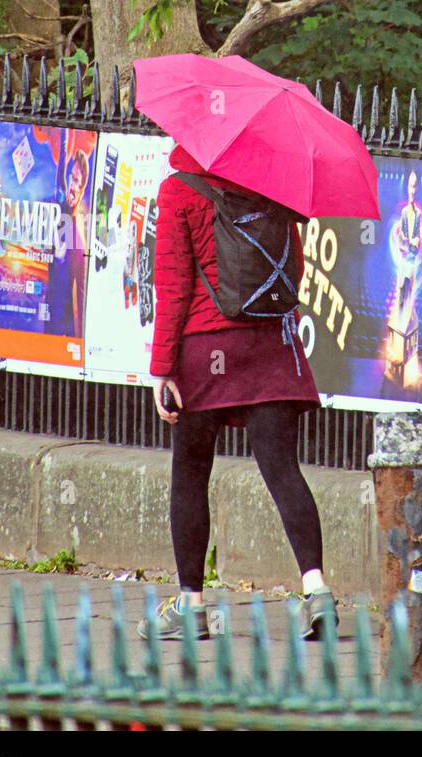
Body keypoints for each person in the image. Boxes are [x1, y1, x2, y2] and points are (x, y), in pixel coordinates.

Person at [138, 144, 336, 642]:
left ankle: (191, 605)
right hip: (269, 345)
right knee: (283, 469)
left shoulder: (179, 190)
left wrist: (162, 369)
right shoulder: (272, 180)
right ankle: (318, 592)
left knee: (190, 473)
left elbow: (174, 285)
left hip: (205, 351)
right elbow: (290, 269)